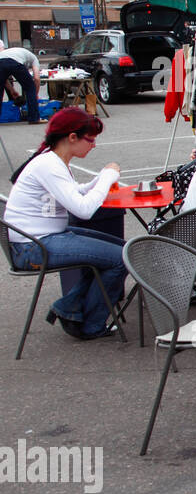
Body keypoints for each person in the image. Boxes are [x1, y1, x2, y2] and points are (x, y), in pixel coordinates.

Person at [6, 107, 125, 339]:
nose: (93, 145)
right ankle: (89, 323)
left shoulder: (51, 160)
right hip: (33, 247)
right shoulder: (49, 165)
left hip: (36, 239)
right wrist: (108, 177)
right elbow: (83, 209)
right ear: (72, 138)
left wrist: (98, 180)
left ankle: (70, 307)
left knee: (122, 250)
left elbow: (71, 193)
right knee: (121, 258)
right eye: (90, 139)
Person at [0, 45, 42, 124]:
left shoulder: (13, 52)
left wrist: (12, 91)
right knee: (30, 88)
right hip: (15, 62)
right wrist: (35, 94)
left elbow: (5, 80)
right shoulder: (34, 59)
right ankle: (34, 118)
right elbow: (36, 78)